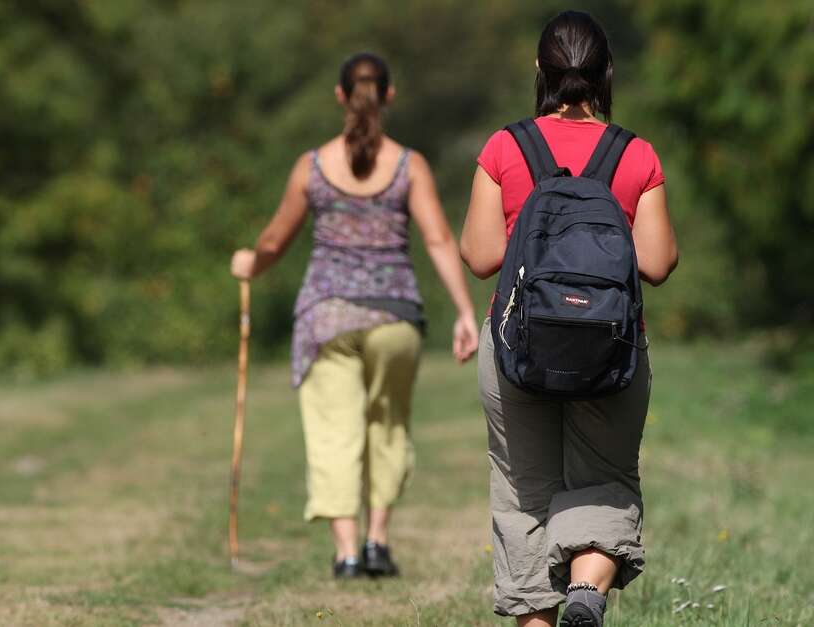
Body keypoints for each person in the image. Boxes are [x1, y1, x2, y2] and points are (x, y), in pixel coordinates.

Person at [459, 11, 678, 627]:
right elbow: (657, 263)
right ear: (608, 72)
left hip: (517, 346)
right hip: (610, 348)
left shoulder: (506, 147)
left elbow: (480, 256)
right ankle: (586, 589)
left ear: (540, 70)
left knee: (523, 496)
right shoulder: (634, 154)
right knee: (604, 480)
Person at [230, 52, 479, 579]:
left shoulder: (313, 166)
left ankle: (345, 554)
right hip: (396, 319)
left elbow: (274, 240)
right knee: (387, 426)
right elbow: (438, 239)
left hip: (328, 319)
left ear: (341, 96)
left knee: (334, 431)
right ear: (389, 96)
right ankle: (377, 543)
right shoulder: (409, 165)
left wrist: (250, 263)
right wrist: (464, 311)